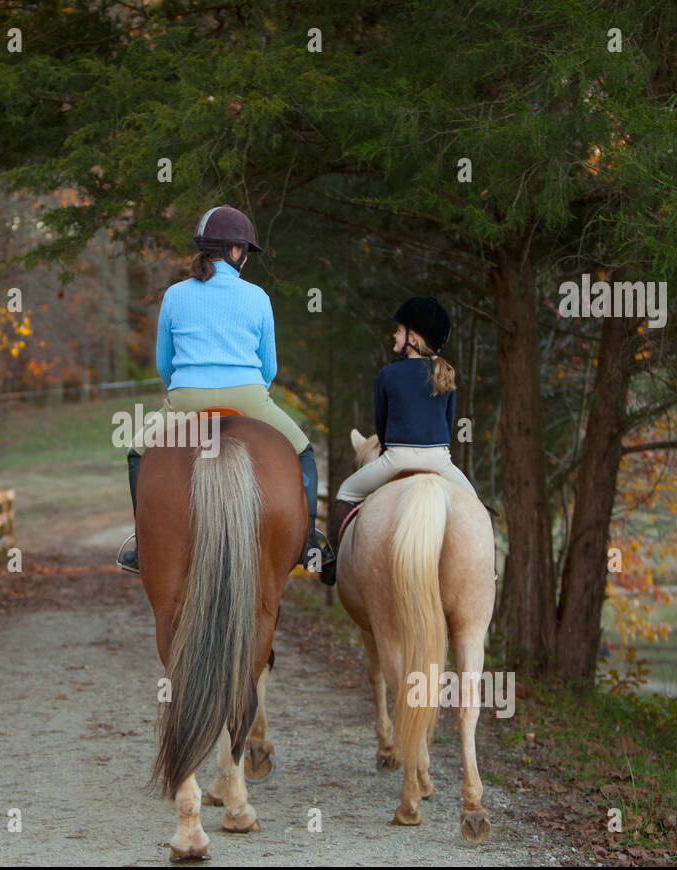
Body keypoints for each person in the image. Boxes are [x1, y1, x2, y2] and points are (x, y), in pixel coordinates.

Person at [118, 205, 329, 576]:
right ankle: (309, 540)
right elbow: (269, 368)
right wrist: (252, 393)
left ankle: (142, 542)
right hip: (247, 398)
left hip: (187, 397)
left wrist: (186, 391)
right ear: (235, 251)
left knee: (137, 451)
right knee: (302, 450)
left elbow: (164, 365)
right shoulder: (258, 297)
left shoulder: (174, 295)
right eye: (245, 252)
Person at [320, 296, 481, 585]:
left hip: (397, 458)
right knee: (476, 508)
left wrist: (390, 444)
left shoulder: (388, 374)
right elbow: (449, 421)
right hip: (440, 461)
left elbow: (381, 427)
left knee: (345, 492)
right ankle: (484, 572)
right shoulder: (445, 373)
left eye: (399, 330)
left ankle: (329, 560)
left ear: (413, 338)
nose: (394, 335)